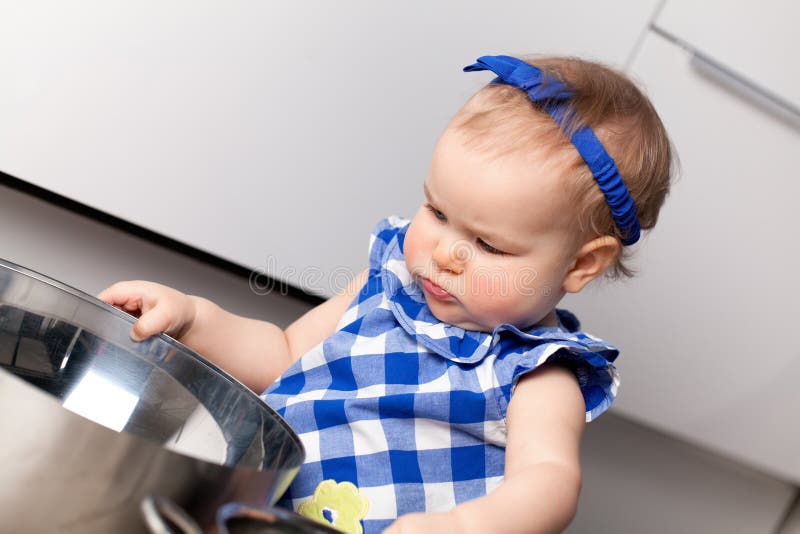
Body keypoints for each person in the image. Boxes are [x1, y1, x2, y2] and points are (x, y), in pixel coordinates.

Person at [99, 54, 672, 534]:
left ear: (580, 264)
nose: (445, 252)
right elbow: (281, 352)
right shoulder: (392, 280)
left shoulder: (537, 373)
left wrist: (462, 527)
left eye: (489, 245)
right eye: (438, 211)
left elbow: (548, 483)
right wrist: (194, 318)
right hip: (255, 505)